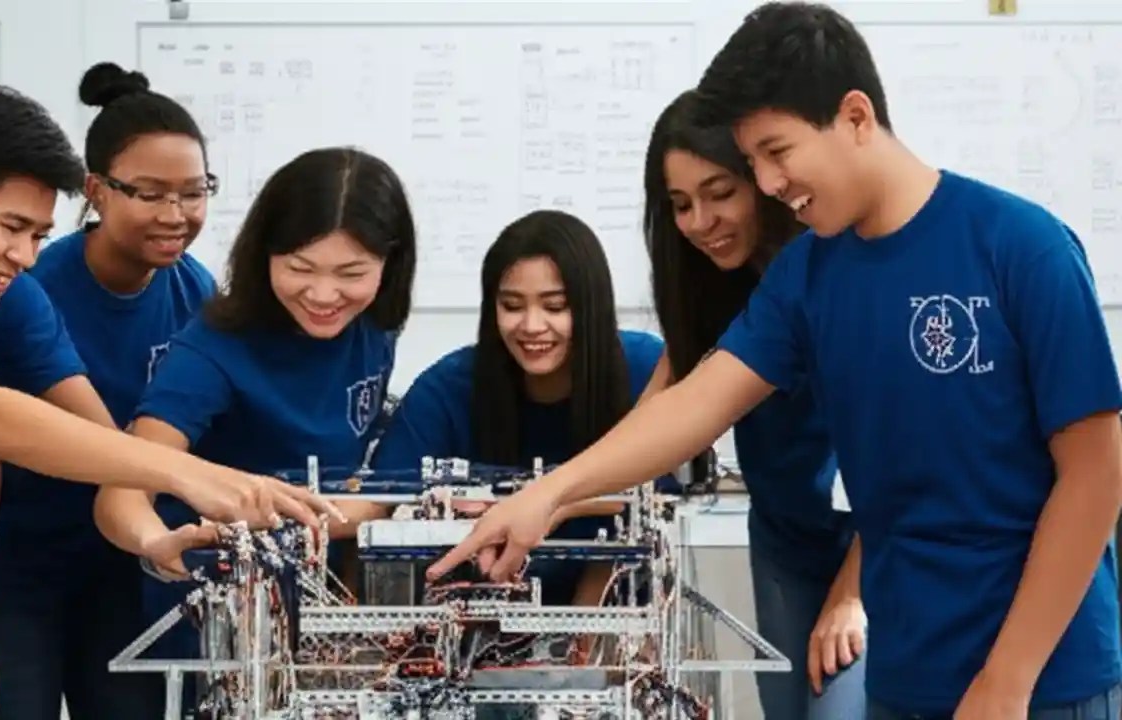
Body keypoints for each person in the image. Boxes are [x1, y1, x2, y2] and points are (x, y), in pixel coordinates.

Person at [431, 4, 1122, 719]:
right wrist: (547, 496)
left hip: (1046, 680)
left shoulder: (1021, 247)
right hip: (909, 676)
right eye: (752, 161)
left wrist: (1008, 682)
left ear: (855, 117)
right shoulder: (808, 278)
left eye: (776, 151)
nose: (765, 183)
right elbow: (695, 407)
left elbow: (1097, 474)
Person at [0, 86, 331, 719]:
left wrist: (146, 524)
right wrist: (195, 474)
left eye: (39, 235)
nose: (23, 256)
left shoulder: (0, 296)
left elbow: (76, 441)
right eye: (11, 227)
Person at [0, 63, 221, 720]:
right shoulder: (25, 287)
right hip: (24, 562)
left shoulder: (196, 294)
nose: (176, 215)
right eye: (150, 194)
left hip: (133, 562)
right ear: (96, 190)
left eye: (194, 192)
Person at [93, 145, 415, 698]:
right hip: (212, 617)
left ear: (389, 264)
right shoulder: (212, 350)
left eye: (352, 273)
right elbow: (120, 493)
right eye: (299, 268)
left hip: (318, 610)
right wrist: (159, 541)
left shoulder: (373, 329)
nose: (323, 295)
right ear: (264, 254)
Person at [642, 90, 865, 718]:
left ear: (763, 182)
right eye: (680, 204)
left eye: (719, 193)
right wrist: (545, 500)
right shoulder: (714, 297)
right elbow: (655, 426)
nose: (699, 222)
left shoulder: (833, 280)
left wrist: (852, 595)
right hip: (786, 542)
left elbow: (905, 464)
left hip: (877, 540)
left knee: (839, 705)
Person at [371, 208, 666, 607]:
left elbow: (670, 488)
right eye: (511, 305)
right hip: (479, 616)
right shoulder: (448, 388)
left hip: (619, 607)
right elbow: (382, 499)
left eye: (555, 306)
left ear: (590, 306)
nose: (531, 325)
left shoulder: (648, 369)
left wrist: (553, 504)